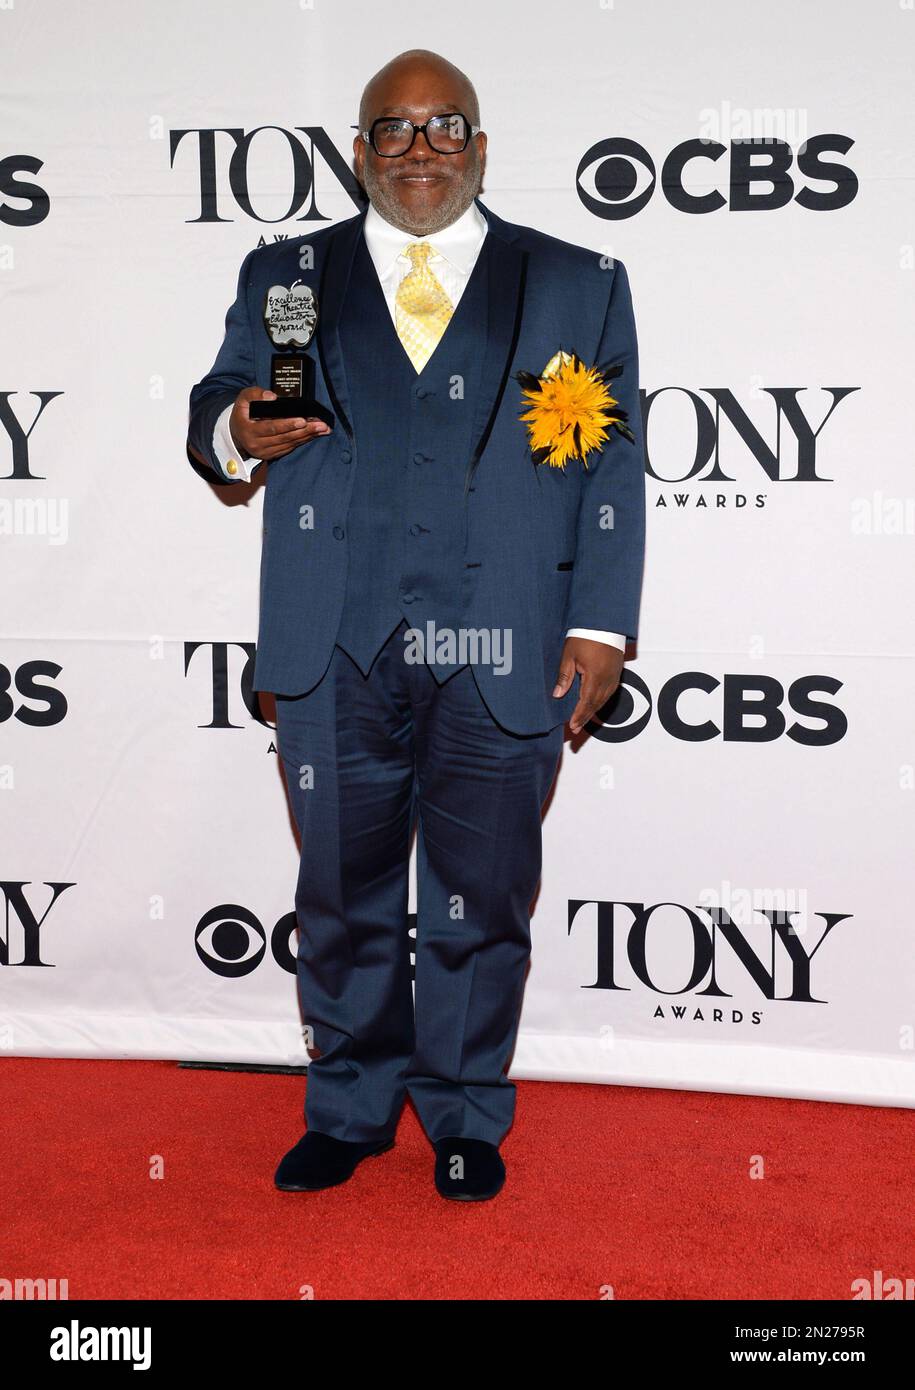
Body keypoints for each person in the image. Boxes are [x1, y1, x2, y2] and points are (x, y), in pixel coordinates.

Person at [187, 48, 646, 1201]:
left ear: (482, 148)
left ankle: (462, 1112)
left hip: (505, 638)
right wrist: (236, 428)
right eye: (393, 130)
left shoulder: (577, 281)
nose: (421, 148)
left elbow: (613, 466)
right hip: (331, 638)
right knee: (342, 887)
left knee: (481, 892)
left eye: (447, 127)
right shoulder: (283, 273)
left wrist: (600, 622)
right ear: (359, 155)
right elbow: (214, 406)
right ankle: (347, 1104)